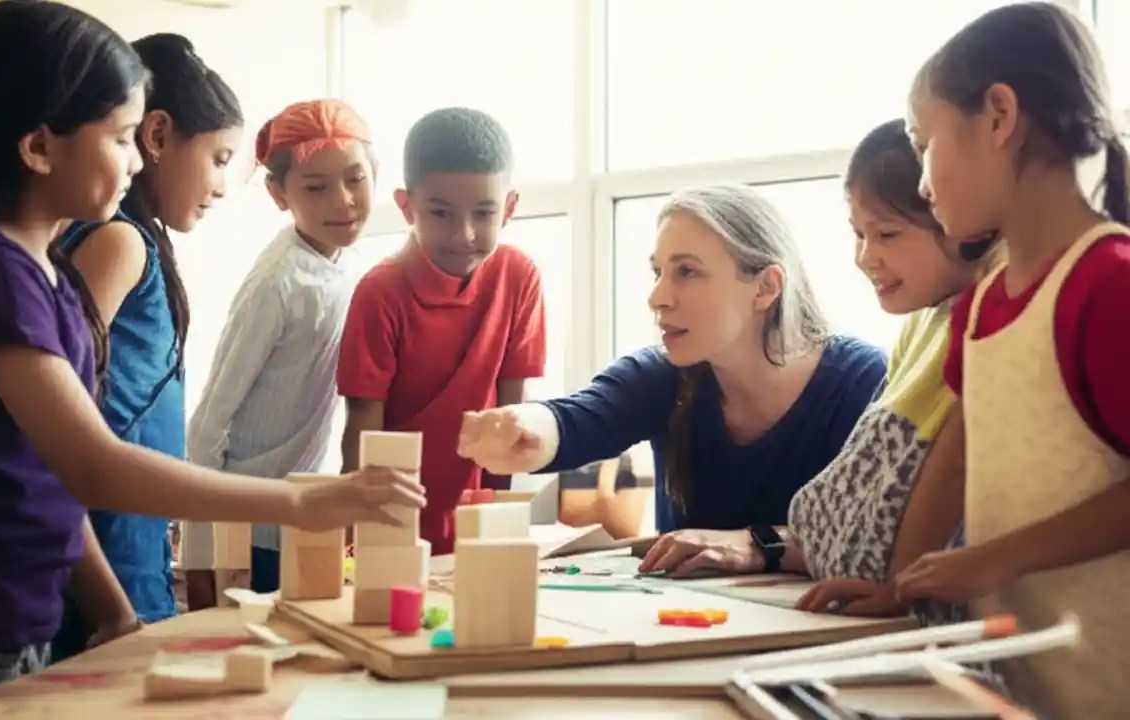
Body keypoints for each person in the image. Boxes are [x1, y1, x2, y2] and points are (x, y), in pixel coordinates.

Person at [0, 4, 422, 717]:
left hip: (5, 625)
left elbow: (53, 475)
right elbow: (93, 464)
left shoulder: (44, 277)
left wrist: (115, 612)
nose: (134, 158)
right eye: (121, 137)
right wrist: (303, 501)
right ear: (38, 147)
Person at [892, 4, 1130, 716]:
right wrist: (900, 584)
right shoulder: (982, 301)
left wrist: (988, 561)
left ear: (999, 116)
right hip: (1021, 685)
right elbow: (957, 457)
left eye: (924, 142)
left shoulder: (1109, 282)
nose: (923, 182)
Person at [458, 184, 886, 564]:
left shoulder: (861, 383)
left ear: (766, 287)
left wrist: (755, 545)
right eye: (657, 272)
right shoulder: (664, 375)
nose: (657, 297)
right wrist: (523, 428)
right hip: (690, 632)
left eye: (687, 271)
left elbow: (877, 539)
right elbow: (574, 418)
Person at [49, 32, 244, 660]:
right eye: (219, 158)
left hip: (130, 551)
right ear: (156, 138)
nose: (221, 185)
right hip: (102, 570)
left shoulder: (135, 239)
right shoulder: (120, 241)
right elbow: (59, 417)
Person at [769, 120, 995, 617]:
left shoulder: (987, 310)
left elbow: (953, 465)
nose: (865, 257)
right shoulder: (921, 323)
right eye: (858, 234)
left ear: (958, 222)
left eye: (886, 234)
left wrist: (900, 588)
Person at [181, 99, 376, 604]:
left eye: (355, 179)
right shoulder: (277, 283)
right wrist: (198, 559)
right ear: (277, 193)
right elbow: (208, 425)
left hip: (303, 514)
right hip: (249, 527)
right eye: (316, 187)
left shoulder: (349, 263)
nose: (344, 201)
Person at [337, 107, 546, 556]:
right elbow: (362, 425)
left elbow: (511, 414)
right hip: (392, 525)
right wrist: (357, 533)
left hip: (477, 524)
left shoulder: (519, 276)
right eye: (440, 213)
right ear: (406, 206)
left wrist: (499, 525)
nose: (464, 234)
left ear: (509, 208)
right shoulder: (380, 292)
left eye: (484, 212)